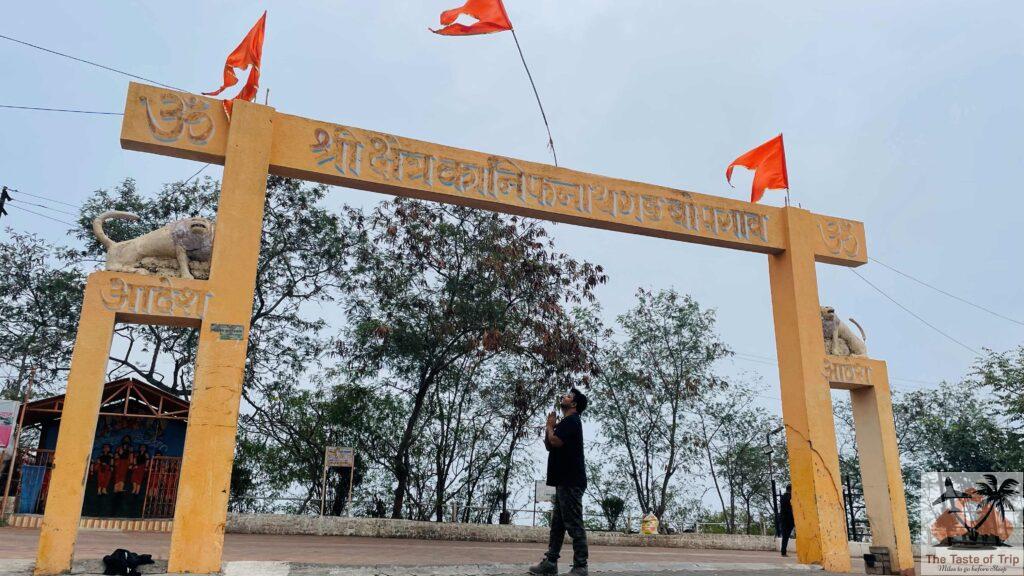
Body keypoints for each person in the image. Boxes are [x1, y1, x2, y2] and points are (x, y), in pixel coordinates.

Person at [529, 388, 589, 576]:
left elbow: (554, 441)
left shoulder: (572, 421)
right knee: (557, 525)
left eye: (569, 396)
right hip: (563, 481)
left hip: (571, 481)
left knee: (573, 523)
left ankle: (581, 566)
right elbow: (549, 444)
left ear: (574, 404)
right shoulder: (564, 423)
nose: (564, 396)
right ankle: (550, 563)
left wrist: (549, 427)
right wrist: (551, 427)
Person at [780, 484, 795, 557]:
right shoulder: (791, 497)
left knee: (785, 537)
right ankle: (783, 552)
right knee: (787, 535)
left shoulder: (782, 497)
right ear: (791, 490)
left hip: (783, 519)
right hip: (789, 519)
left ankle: (783, 551)